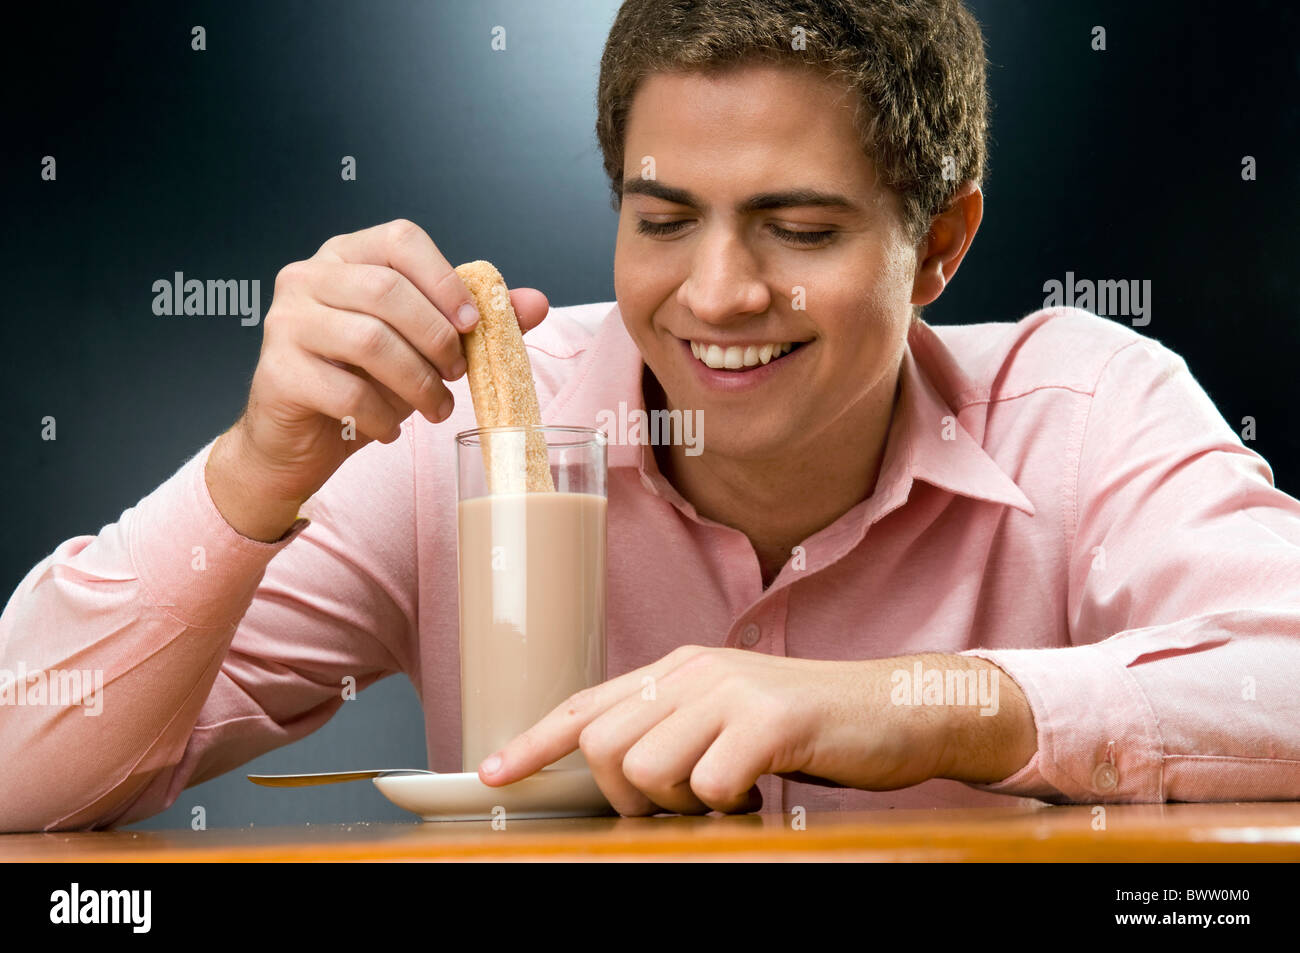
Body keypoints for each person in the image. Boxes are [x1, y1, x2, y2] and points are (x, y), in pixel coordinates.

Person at [3, 0, 1298, 832]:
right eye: (664, 220)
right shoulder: (461, 440)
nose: (721, 293)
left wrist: (916, 704)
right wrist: (255, 471)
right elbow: (19, 761)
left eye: (800, 226)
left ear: (941, 241)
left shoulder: (1082, 411)